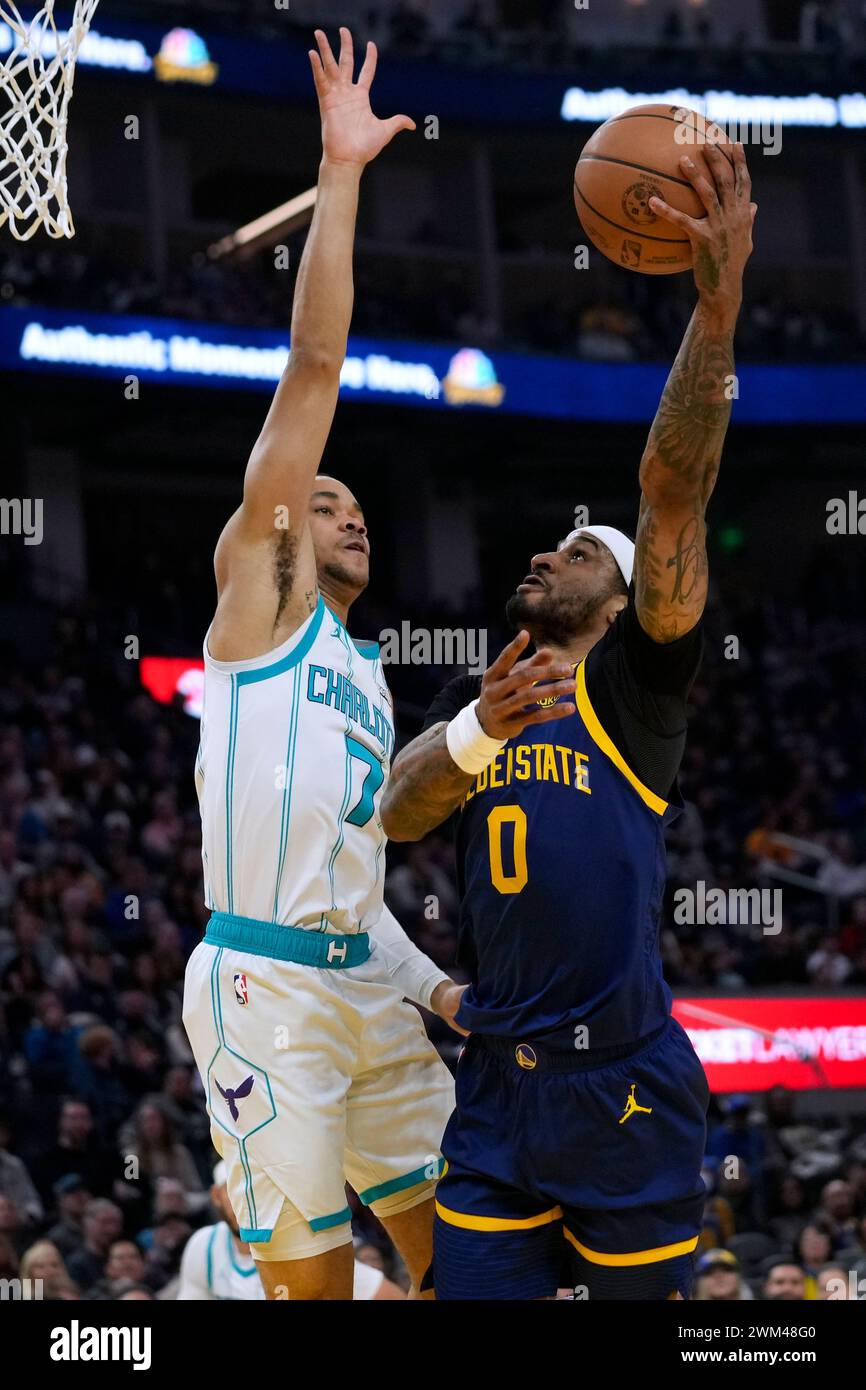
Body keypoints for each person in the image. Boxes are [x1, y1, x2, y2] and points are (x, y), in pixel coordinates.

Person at [381, 142, 756, 1299]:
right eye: (555, 543)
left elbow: (672, 484)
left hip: (627, 1090)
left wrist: (714, 305)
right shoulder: (482, 696)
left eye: (581, 550)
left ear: (626, 592)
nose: (551, 550)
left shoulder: (635, 688)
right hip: (500, 1090)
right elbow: (396, 813)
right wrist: (475, 735)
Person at [182, 29, 458, 1302]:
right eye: (324, 495)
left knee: (470, 1259)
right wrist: (340, 174)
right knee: (312, 1296)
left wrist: (433, 985)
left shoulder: (368, 672)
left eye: (358, 505)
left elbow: (358, 881)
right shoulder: (264, 595)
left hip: (364, 988)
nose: (343, 510)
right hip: (265, 987)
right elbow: (315, 369)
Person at [177, 1162, 404, 1300]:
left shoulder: (305, 1245)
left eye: (252, 1190)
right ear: (216, 1196)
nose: (243, 1201)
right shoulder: (205, 1245)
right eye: (233, 1191)